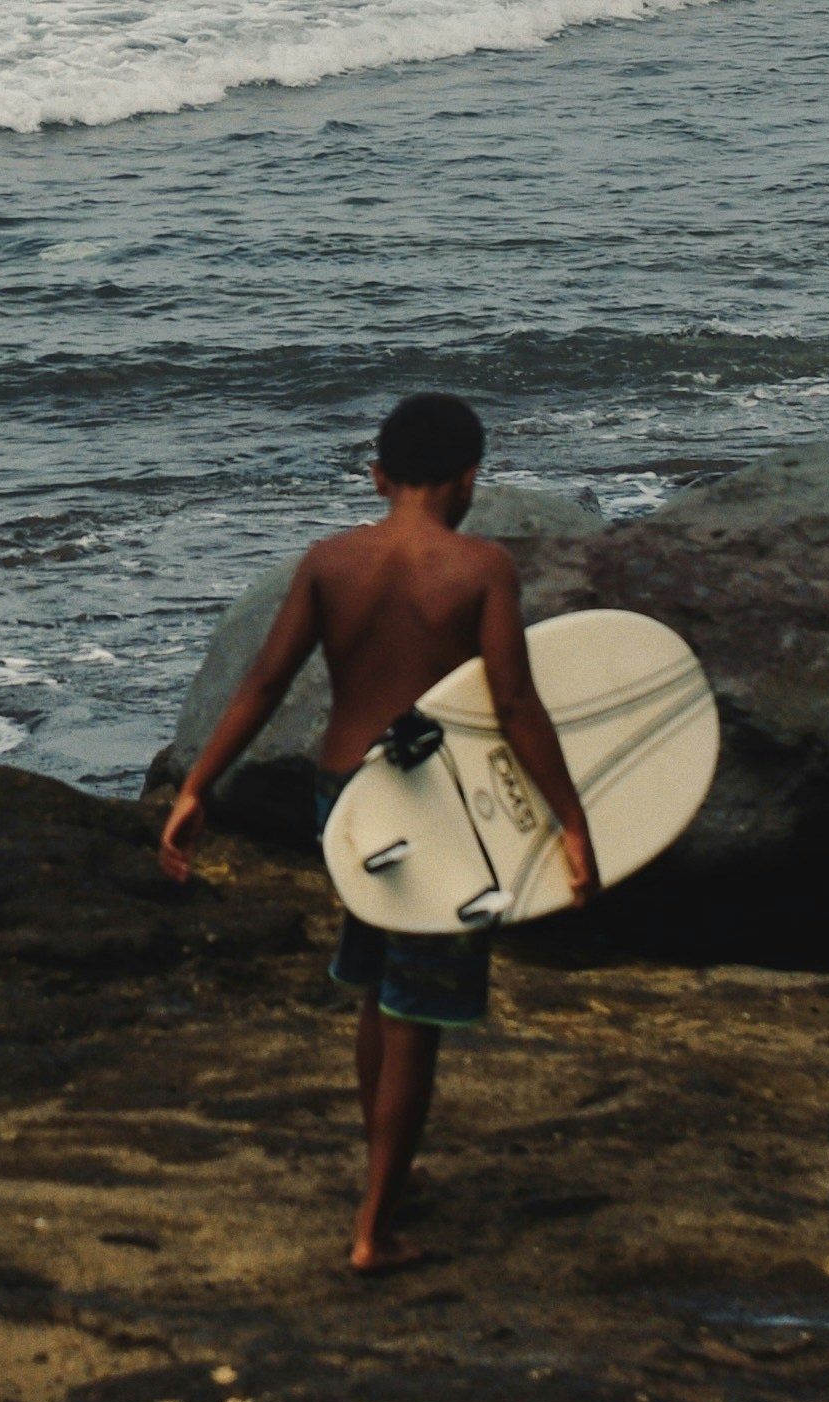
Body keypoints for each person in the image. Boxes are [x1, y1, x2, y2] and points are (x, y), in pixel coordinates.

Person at [161, 391, 596, 1275]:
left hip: (343, 800)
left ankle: (385, 1171)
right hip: (432, 808)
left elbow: (262, 682)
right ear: (470, 477)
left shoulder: (329, 560)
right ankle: (374, 1230)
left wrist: (195, 785)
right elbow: (514, 705)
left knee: (374, 985)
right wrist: (572, 821)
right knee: (413, 1017)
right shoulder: (479, 569)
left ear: (377, 477)